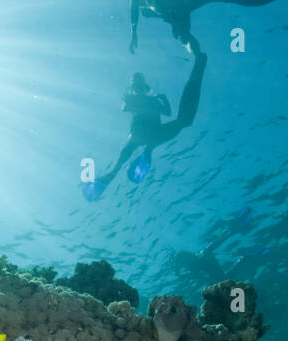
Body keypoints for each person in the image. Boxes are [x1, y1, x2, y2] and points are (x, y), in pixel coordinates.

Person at [84, 55, 207, 201]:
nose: (138, 86)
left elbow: (167, 112)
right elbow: (125, 107)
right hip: (141, 134)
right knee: (131, 151)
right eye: (136, 82)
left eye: (140, 82)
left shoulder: (151, 100)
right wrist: (156, 100)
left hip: (151, 133)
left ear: (143, 83)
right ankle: (121, 168)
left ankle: (146, 152)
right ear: (133, 85)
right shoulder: (135, 98)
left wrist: (163, 99)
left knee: (184, 121)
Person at [130, 0, 275, 55]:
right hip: (177, 12)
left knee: (183, 37)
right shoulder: (150, 9)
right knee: (184, 37)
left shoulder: (153, 10)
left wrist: (134, 33)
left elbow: (134, 7)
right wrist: (133, 32)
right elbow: (134, 7)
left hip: (178, 10)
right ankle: (197, 57)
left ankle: (197, 57)